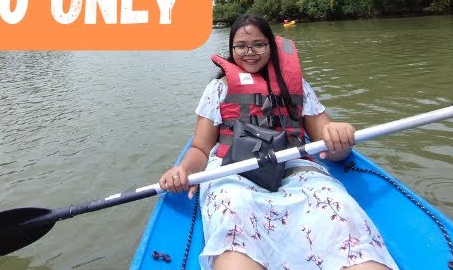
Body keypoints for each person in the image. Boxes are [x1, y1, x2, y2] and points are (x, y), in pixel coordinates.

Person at [158, 15, 394, 270]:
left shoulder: (297, 87)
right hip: (234, 171)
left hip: (294, 169)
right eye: (241, 46)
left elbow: (331, 147)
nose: (250, 52)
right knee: (234, 211)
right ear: (231, 50)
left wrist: (339, 136)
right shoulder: (217, 89)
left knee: (339, 208)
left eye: (259, 44)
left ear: (271, 45)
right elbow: (200, 149)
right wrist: (183, 169)